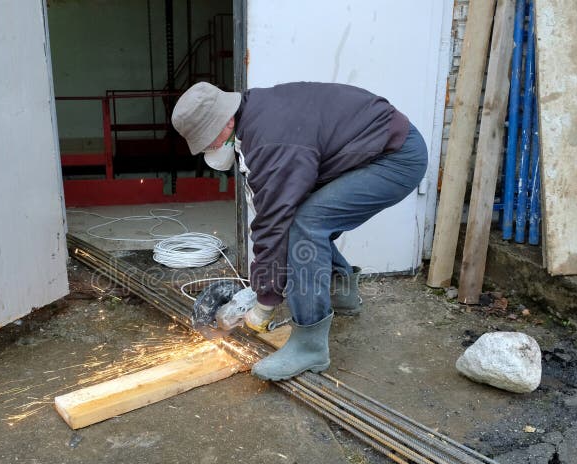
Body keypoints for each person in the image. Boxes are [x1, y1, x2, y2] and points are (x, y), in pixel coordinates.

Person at [172, 81, 428, 381]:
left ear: (227, 120)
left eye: (210, 140)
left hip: (395, 158)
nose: (211, 148)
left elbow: (275, 223)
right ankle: (341, 293)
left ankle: (309, 347)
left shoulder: (271, 141)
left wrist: (265, 301)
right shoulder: (254, 118)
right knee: (307, 217)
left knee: (305, 225)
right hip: (375, 149)